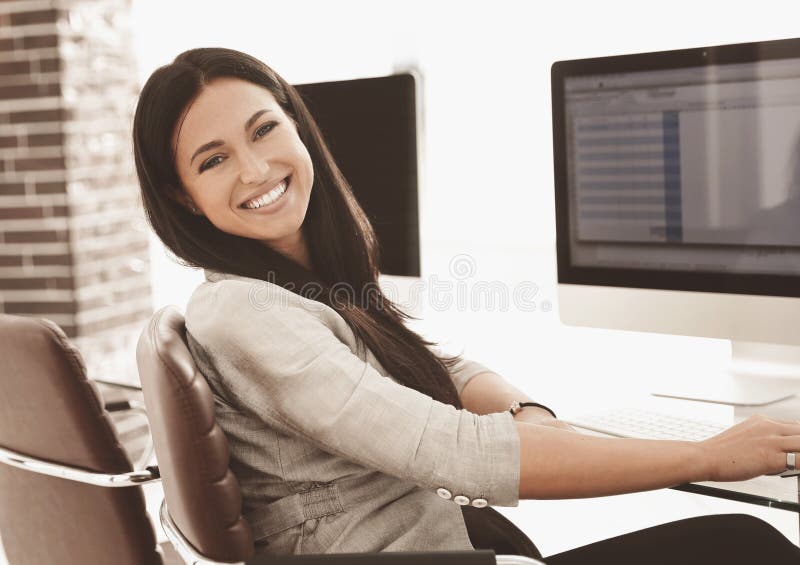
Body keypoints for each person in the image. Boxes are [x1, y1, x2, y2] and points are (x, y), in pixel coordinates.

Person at [132, 47, 800, 564]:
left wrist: (525, 411)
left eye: (263, 130)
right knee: (752, 545)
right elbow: (453, 453)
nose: (254, 169)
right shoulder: (246, 314)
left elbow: (429, 365)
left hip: (444, 545)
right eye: (214, 159)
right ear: (184, 195)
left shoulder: (292, 287)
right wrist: (708, 455)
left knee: (741, 538)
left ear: (299, 129)